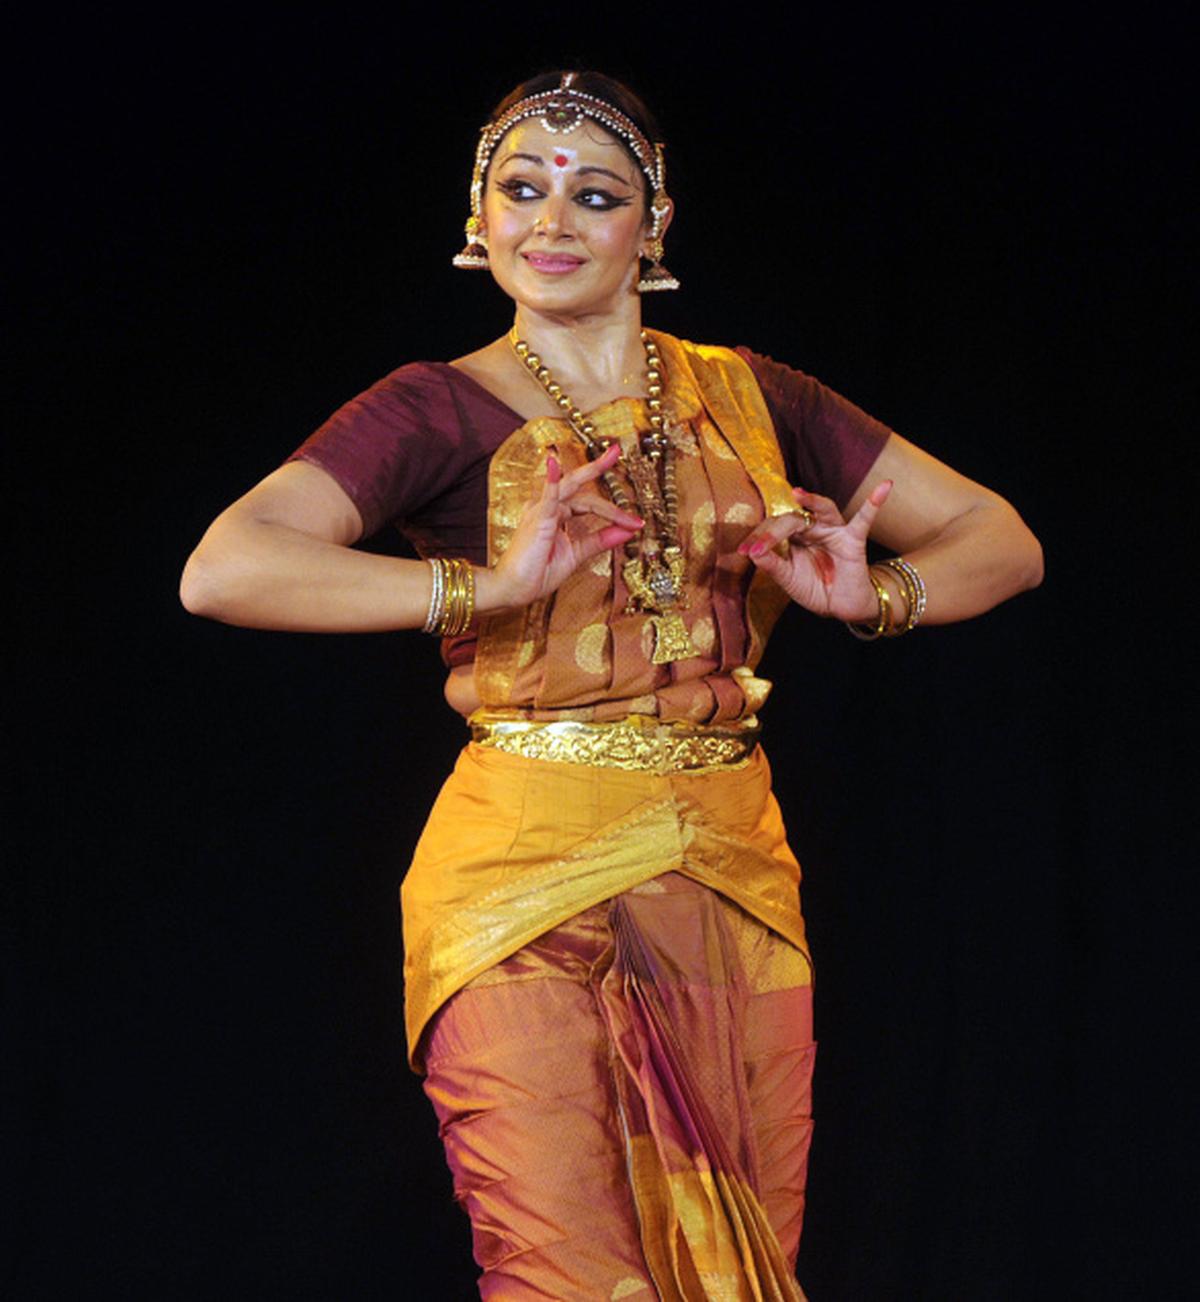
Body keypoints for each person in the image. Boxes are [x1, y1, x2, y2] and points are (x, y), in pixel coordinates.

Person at [180, 70, 1042, 1300]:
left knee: (733, 1267)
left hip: (729, 870)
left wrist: (875, 598)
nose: (553, 222)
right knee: (572, 1270)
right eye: (520, 190)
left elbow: (1003, 541)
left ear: (656, 225)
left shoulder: (753, 394)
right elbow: (226, 569)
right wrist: (485, 589)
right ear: (480, 220)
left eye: (596, 195)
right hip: (521, 881)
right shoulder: (438, 406)